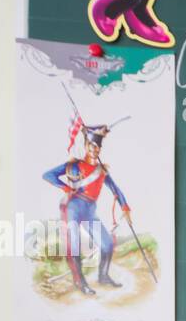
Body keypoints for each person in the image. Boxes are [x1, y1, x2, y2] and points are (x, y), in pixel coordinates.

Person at [42, 123, 130, 296]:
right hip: (73, 207)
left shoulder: (101, 170)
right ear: (86, 146)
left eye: (98, 147)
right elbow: (48, 175)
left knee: (106, 244)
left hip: (89, 210)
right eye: (92, 145)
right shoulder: (74, 165)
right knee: (73, 244)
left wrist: (125, 207)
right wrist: (65, 188)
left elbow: (115, 189)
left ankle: (103, 276)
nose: (95, 149)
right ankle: (80, 282)